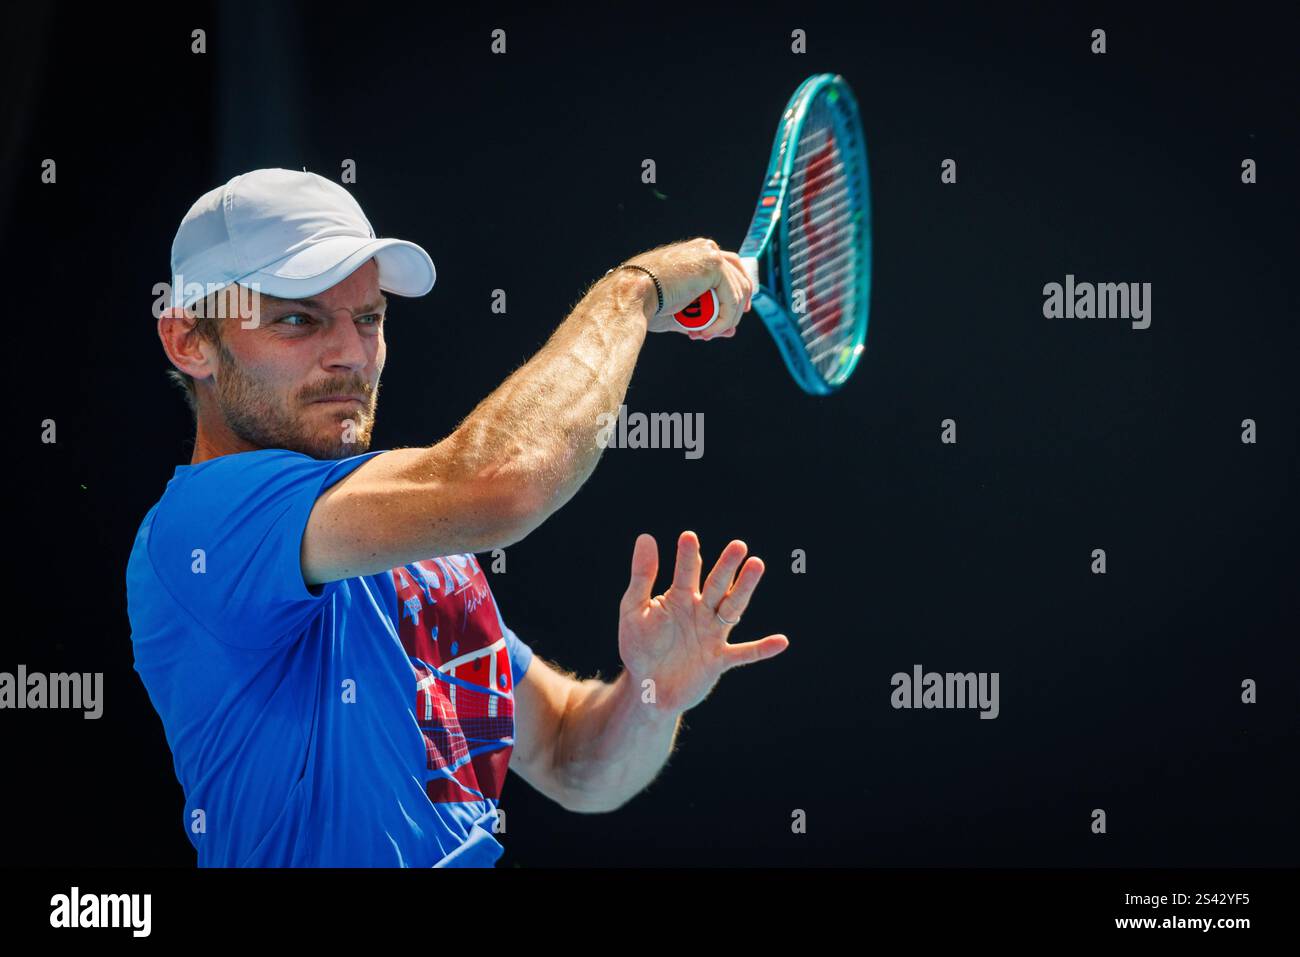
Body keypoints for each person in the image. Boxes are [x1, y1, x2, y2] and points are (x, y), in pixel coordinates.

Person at [126, 168, 789, 867]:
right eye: (299, 318)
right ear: (187, 339)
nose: (352, 354)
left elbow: (571, 757)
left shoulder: (415, 546)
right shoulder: (204, 524)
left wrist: (651, 696)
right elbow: (503, 483)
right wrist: (632, 292)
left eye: (370, 318)